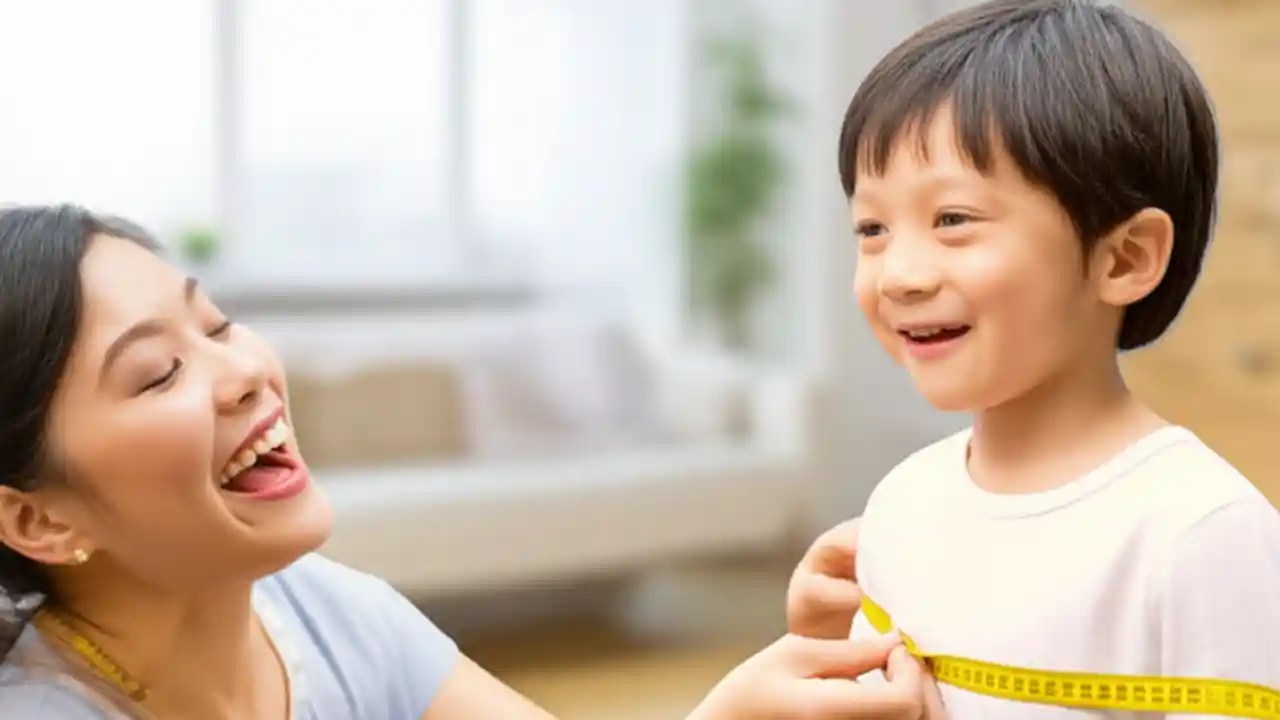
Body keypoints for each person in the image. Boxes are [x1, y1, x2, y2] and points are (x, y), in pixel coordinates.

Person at [0, 204, 939, 719]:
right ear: (40, 518)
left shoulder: (318, 612)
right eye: (159, 373)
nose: (244, 372)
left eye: (215, 324)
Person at [837, 0, 1280, 716]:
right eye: (872, 227)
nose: (899, 275)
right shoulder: (901, 504)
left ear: (1125, 258)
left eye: (953, 219)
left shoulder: (1199, 533)